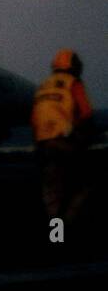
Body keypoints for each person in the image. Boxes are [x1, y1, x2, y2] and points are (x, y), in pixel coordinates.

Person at [31, 49, 94, 223]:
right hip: (64, 143)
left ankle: (57, 236)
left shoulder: (44, 85)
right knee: (85, 184)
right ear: (72, 65)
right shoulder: (73, 82)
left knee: (52, 195)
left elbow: (35, 118)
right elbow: (86, 114)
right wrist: (83, 138)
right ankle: (69, 225)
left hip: (44, 145)